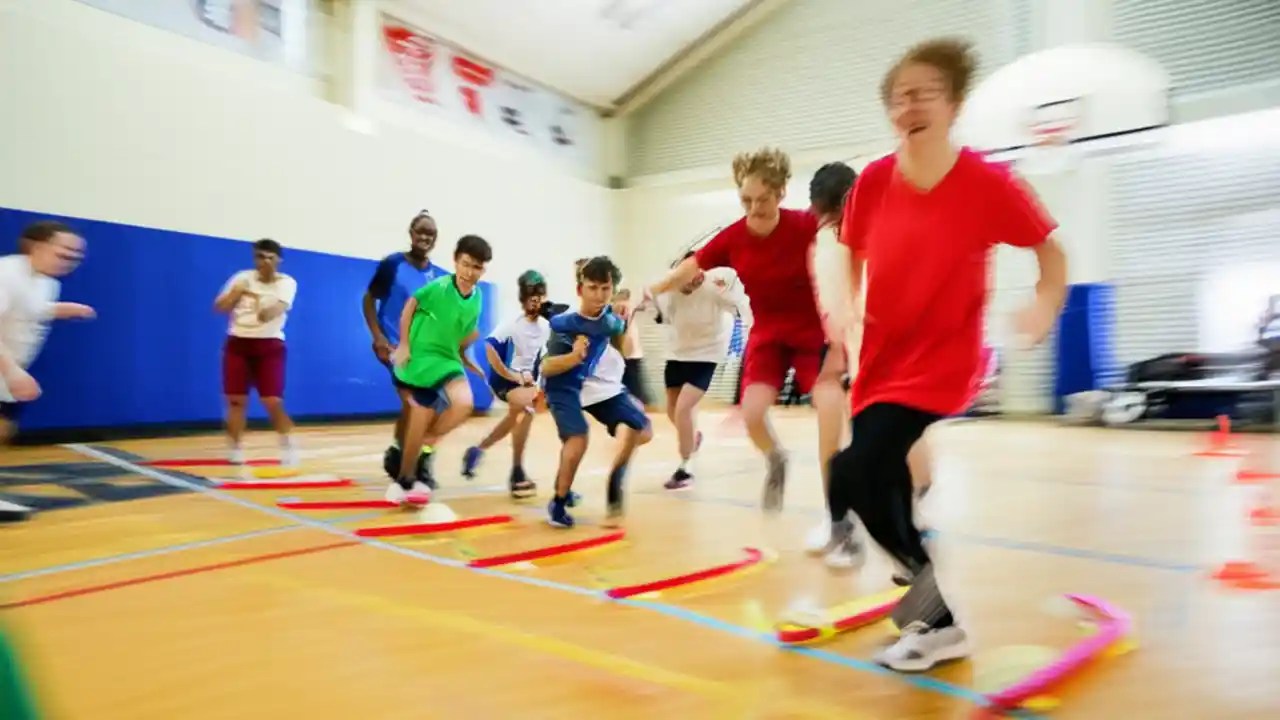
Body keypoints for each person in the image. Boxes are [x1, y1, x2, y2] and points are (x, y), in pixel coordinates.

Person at [828, 38, 1067, 672]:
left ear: (954, 102)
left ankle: (935, 620)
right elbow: (851, 250)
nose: (911, 105)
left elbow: (1051, 254)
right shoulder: (875, 181)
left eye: (925, 92)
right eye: (900, 96)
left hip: (944, 360)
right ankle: (930, 605)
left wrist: (1045, 304)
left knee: (856, 470)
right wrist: (850, 308)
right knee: (867, 480)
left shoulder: (988, 182)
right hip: (882, 360)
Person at [641, 148, 846, 519]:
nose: (753, 208)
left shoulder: (805, 226)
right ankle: (776, 459)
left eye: (763, 199)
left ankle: (839, 510)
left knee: (828, 410)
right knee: (752, 414)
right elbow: (691, 265)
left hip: (811, 334)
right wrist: (653, 288)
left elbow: (846, 249)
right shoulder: (734, 237)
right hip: (768, 335)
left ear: (782, 192)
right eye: (746, 200)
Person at [541, 256, 652, 529]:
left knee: (643, 430)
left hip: (599, 389)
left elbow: (620, 336)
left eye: (605, 289)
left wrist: (635, 310)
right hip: (563, 386)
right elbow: (546, 367)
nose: (599, 296)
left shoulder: (611, 321)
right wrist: (573, 357)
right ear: (580, 290)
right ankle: (558, 501)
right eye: (593, 288)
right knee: (578, 439)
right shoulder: (563, 325)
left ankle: (616, 477)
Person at [0, 221, 93, 523]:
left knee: (4, 429)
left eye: (77, 255)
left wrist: (62, 309)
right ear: (37, 246)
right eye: (65, 252)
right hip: (7, 368)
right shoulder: (6, 274)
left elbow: (32, 308)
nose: (72, 260)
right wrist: (12, 372)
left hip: (9, 370)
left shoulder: (47, 281)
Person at [388, 235, 492, 505]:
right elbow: (410, 306)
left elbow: (465, 332)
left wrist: (467, 360)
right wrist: (404, 344)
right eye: (466, 264)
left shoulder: (477, 297)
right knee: (420, 413)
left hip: (447, 360)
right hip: (420, 359)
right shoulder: (439, 288)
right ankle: (404, 480)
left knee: (464, 403)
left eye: (477, 267)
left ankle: (427, 444)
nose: (470, 272)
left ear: (484, 269)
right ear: (456, 261)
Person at [650, 252, 752, 489]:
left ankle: (685, 468)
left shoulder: (715, 286)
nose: (691, 281)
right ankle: (693, 438)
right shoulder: (668, 286)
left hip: (708, 353)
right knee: (672, 410)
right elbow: (648, 299)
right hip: (678, 351)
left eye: (695, 276)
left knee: (684, 408)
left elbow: (742, 306)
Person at [364, 210, 449, 485]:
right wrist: (377, 336)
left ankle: (403, 452)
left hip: (422, 352)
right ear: (411, 233)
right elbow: (369, 300)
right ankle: (412, 468)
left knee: (433, 404)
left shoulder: (436, 277)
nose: (425, 237)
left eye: (431, 234)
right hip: (393, 346)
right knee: (416, 403)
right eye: (421, 231)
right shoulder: (392, 265)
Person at [461, 270, 551, 498]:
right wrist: (512, 376)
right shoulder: (512, 323)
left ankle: (479, 450)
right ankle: (517, 470)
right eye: (530, 294)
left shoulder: (546, 326)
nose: (535, 298)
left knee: (516, 416)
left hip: (527, 384)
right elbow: (490, 348)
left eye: (539, 294)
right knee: (526, 408)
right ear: (522, 298)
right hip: (504, 381)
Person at [213, 238, 299, 466]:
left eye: (271, 258)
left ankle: (287, 442)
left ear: (279, 260)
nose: (265, 262)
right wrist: (237, 293)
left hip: (269, 345)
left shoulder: (286, 283)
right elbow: (219, 307)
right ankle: (235, 449)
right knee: (235, 400)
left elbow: (269, 314)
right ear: (254, 258)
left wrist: (254, 296)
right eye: (261, 257)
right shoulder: (241, 278)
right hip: (237, 344)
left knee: (271, 400)